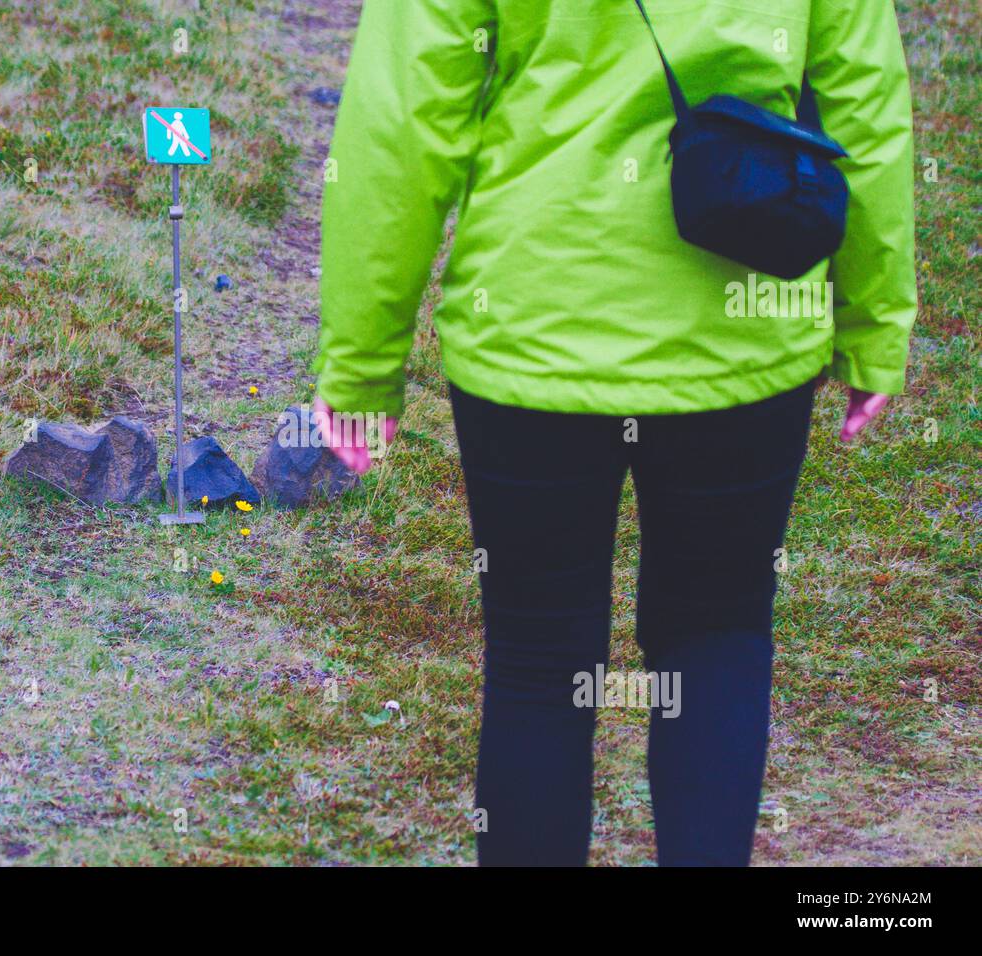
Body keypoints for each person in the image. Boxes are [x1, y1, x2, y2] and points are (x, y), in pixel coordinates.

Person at [313, 0, 916, 865]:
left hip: (535, 335)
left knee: (536, 661)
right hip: (741, 337)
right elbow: (866, 99)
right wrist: (873, 323)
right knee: (718, 634)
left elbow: (400, 122)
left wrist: (363, 361)